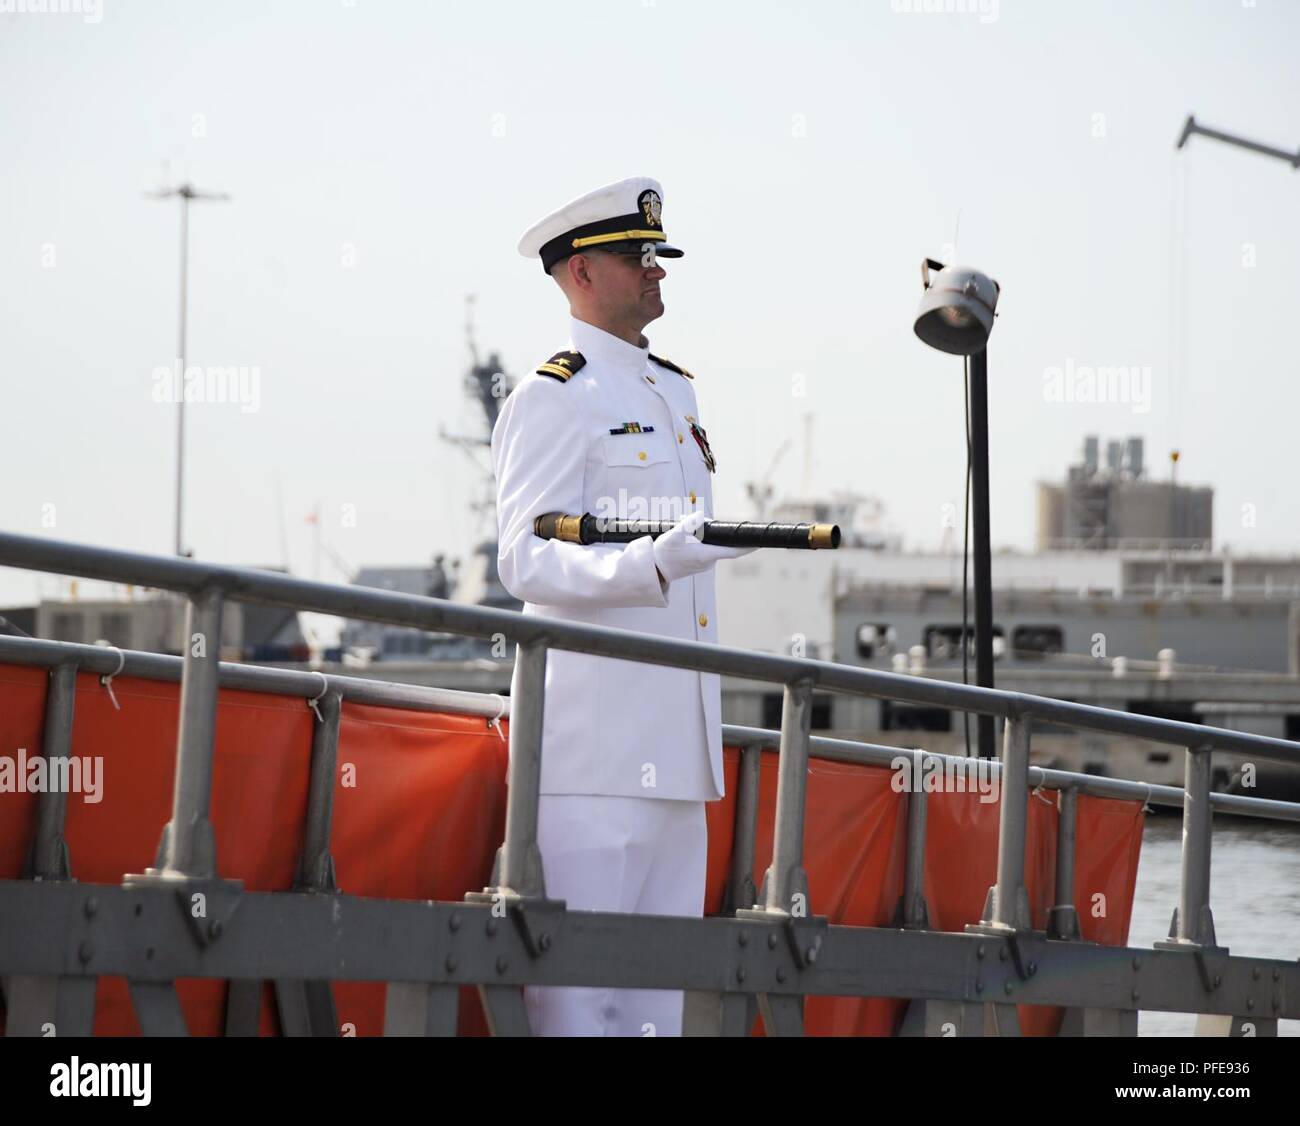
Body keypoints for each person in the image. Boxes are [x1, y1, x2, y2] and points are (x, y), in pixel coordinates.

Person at [491, 175, 755, 1036]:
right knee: (579, 1001)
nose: (656, 272)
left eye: (657, 256)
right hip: (594, 756)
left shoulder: (675, 391)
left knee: (654, 1008)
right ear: (579, 274)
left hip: (679, 751)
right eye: (637, 257)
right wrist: (650, 565)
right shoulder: (553, 396)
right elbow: (524, 557)